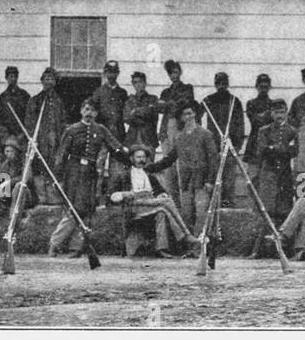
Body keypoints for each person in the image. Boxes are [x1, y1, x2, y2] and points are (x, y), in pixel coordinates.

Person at [47, 98, 127, 257]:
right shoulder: (72, 130)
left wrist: (128, 156)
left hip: (91, 173)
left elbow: (115, 147)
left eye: (92, 110)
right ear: (81, 111)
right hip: (74, 172)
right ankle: (55, 243)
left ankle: (75, 248)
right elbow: (62, 154)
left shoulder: (101, 129)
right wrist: (57, 177)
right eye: (86, 109)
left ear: (96, 113)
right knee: (75, 209)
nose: (89, 113)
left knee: (85, 210)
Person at [145, 102, 219, 244]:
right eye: (185, 114)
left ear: (195, 114)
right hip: (185, 182)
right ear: (181, 118)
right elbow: (169, 159)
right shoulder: (179, 137)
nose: (189, 116)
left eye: (190, 113)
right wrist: (148, 168)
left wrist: (210, 181)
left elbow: (213, 160)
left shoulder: (205, 134)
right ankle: (189, 246)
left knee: (201, 213)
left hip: (202, 182)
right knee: (186, 213)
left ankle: (200, 247)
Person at [108, 144, 199, 259]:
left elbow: (160, 190)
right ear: (131, 158)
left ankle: (161, 249)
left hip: (150, 204)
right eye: (138, 157)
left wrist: (161, 194)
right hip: (134, 206)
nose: (141, 160)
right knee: (167, 203)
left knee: (162, 211)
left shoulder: (149, 174)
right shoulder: (124, 175)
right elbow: (111, 196)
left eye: (143, 157)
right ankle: (186, 234)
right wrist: (124, 194)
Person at [250, 99, 298, 258]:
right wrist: (279, 149)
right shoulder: (264, 130)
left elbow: (294, 151)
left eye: (282, 112)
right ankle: (257, 250)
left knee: (284, 210)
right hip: (268, 173)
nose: (279, 115)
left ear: (286, 113)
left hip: (284, 174)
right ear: (271, 113)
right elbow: (262, 150)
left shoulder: (292, 131)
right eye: (276, 112)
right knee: (267, 210)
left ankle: (284, 250)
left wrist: (274, 148)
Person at [202, 72, 245, 207]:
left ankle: (228, 211)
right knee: (213, 181)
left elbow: (240, 125)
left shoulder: (234, 101)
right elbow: (195, 116)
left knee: (228, 182)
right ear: (215, 84)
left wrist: (237, 145)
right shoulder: (208, 101)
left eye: (224, 83)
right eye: (219, 83)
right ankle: (214, 212)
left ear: (227, 84)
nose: (221, 86)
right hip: (212, 148)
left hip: (229, 147)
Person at [24, 67, 67, 204]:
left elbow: (63, 122)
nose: (49, 81)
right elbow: (29, 122)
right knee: (39, 167)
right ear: (42, 81)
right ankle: (41, 197)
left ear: (55, 82)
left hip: (55, 140)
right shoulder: (35, 100)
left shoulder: (59, 101)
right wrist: (32, 139)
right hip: (40, 140)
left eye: (51, 79)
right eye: (46, 79)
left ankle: (53, 198)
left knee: (54, 166)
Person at [157, 59, 196, 198]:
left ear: (180, 72)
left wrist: (169, 104)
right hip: (167, 130)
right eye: (170, 73)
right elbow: (160, 107)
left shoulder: (187, 88)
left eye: (175, 72)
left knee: (182, 165)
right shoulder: (165, 91)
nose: (173, 75)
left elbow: (184, 102)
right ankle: (173, 204)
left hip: (180, 128)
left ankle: (185, 204)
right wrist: (169, 104)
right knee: (169, 168)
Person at [123, 71, 163, 150]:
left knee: (149, 162)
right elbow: (126, 118)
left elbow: (152, 115)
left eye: (140, 82)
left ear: (145, 83)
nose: (138, 85)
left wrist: (135, 111)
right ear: (133, 84)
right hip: (133, 138)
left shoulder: (153, 99)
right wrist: (144, 111)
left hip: (149, 138)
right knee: (133, 161)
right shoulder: (130, 100)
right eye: (135, 82)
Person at [90, 60, 128, 141]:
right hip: (102, 132)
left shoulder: (122, 93)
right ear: (105, 73)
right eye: (109, 72)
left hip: (118, 134)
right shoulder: (98, 92)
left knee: (118, 153)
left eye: (114, 72)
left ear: (118, 74)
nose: (111, 75)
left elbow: (126, 113)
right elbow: (92, 112)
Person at [244, 73, 275, 163]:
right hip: (254, 141)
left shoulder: (273, 104)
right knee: (254, 172)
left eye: (266, 87)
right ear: (256, 87)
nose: (263, 89)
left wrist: (261, 116)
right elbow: (255, 121)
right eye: (261, 86)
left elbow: (273, 121)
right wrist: (267, 115)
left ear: (269, 87)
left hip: (270, 140)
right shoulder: (251, 103)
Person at [0, 66, 32, 138]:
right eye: (11, 76)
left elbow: (30, 116)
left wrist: (23, 134)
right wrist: (4, 133)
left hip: (22, 135)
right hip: (7, 136)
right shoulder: (3, 97)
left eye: (15, 76)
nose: (13, 79)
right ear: (6, 78)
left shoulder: (24, 95)